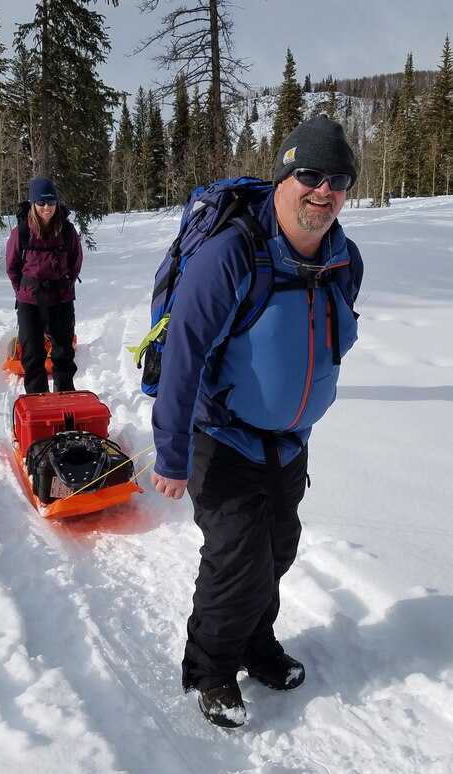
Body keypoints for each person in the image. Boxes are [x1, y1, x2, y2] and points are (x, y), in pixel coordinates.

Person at [150, 115, 364, 728]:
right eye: (310, 175)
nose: (323, 191)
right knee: (236, 559)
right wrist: (168, 453)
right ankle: (210, 668)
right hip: (222, 436)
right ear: (283, 177)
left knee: (277, 550)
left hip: (290, 444)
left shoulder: (344, 259)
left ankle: (254, 643)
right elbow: (184, 355)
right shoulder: (231, 253)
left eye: (339, 179)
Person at [6, 176, 83, 393]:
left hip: (61, 298)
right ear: (33, 204)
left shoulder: (67, 231)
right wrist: (23, 291)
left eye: (50, 202)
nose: (46, 208)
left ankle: (65, 392)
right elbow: (12, 268)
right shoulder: (21, 233)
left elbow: (75, 261)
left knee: (63, 352)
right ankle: (37, 399)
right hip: (30, 300)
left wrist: (66, 284)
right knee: (32, 354)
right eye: (41, 203)